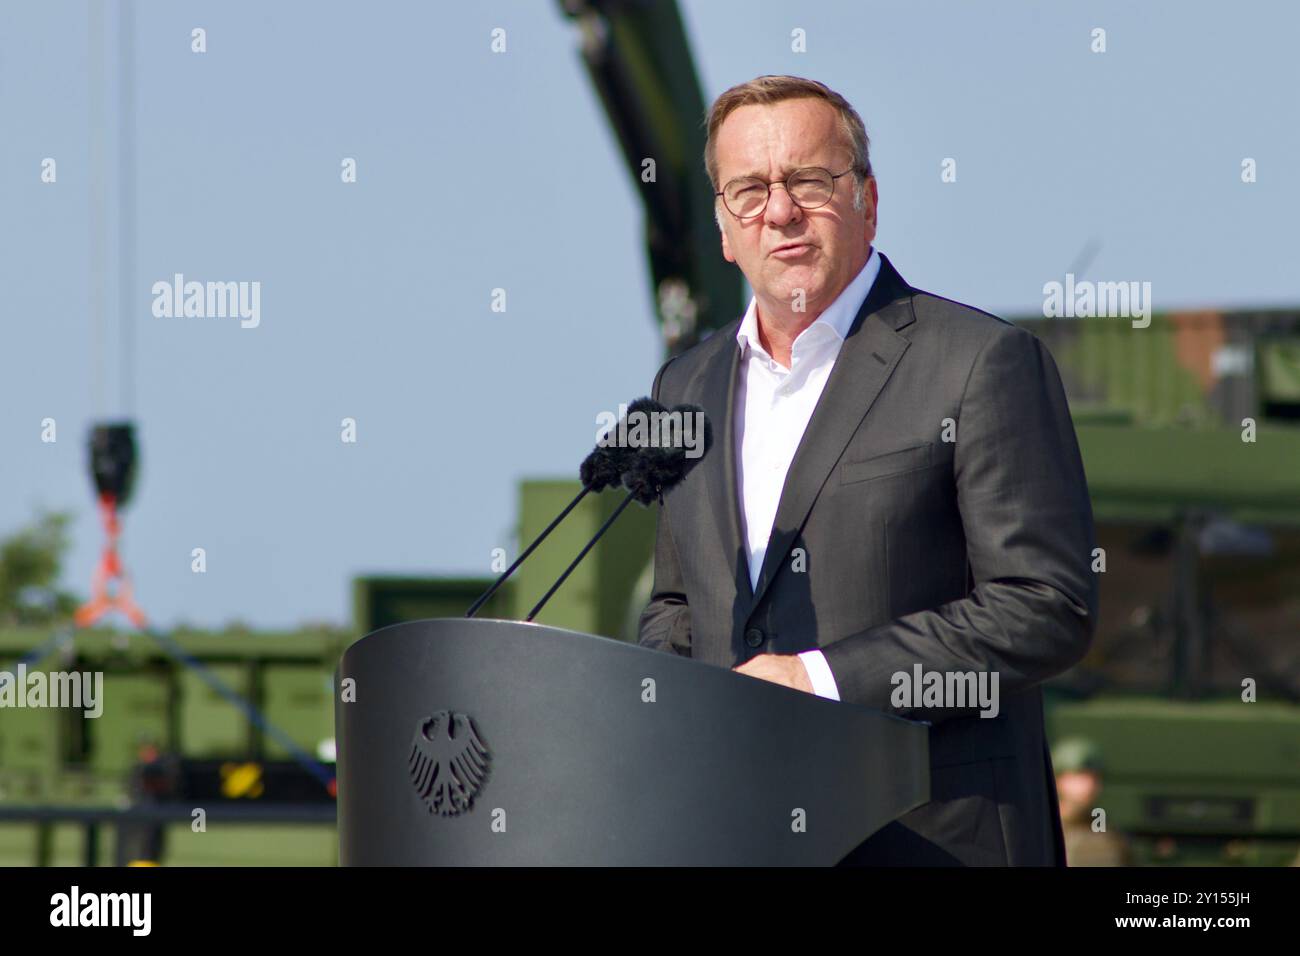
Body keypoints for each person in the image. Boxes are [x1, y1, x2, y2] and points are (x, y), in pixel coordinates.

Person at [637, 75, 1099, 866]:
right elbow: (681, 611)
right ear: (723, 228)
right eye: (748, 191)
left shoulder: (979, 363)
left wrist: (822, 679)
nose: (779, 211)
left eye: (809, 182)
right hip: (739, 838)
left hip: (930, 838)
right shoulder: (686, 388)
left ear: (868, 200)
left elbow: (1045, 604)